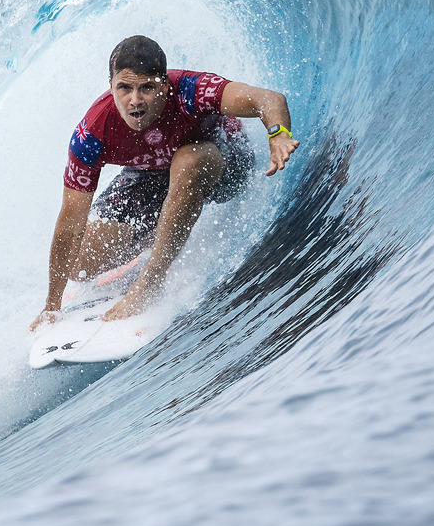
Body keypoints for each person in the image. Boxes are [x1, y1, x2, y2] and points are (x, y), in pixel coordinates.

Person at [32, 35, 300, 328]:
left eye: (146, 87)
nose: (135, 100)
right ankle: (156, 238)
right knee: (79, 266)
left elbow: (269, 99)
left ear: (164, 84)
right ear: (111, 86)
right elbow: (70, 221)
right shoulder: (93, 133)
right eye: (124, 88)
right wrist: (52, 306)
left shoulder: (191, 90)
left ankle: (151, 279)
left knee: (189, 160)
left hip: (221, 161)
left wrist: (277, 134)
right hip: (152, 174)